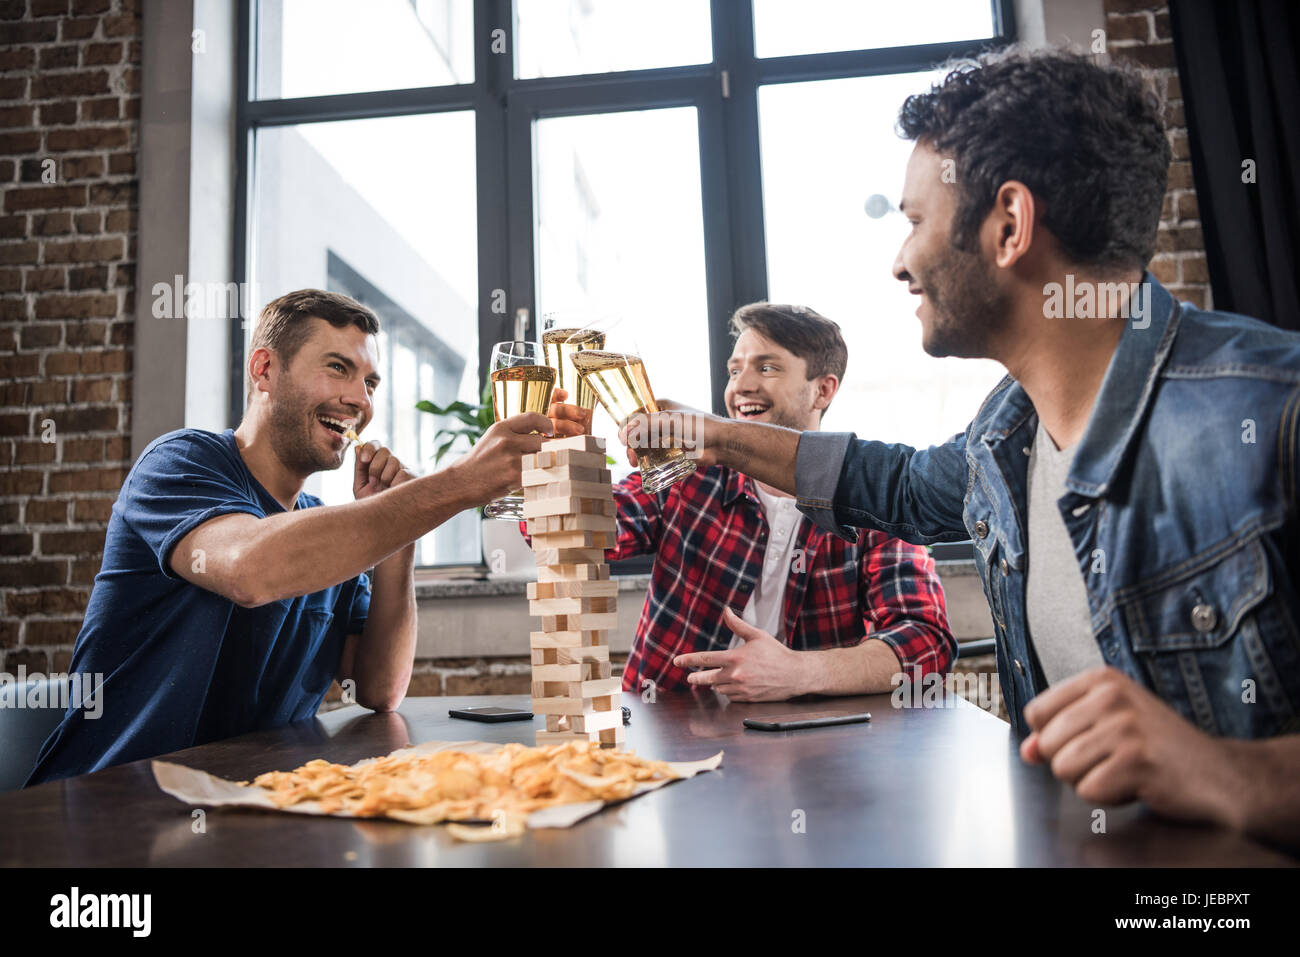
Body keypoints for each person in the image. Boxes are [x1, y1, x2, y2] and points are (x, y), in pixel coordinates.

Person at [619, 48, 1300, 844]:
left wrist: (1224, 771)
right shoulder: (1000, 439)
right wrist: (706, 436)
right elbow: (892, 485)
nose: (900, 261)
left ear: (1008, 225)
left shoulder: (1273, 413)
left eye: (914, 220)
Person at [26, 290, 551, 784]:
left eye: (370, 383)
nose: (357, 399)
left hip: (246, 810)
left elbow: (379, 688)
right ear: (265, 369)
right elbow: (251, 572)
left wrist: (398, 542)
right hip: (114, 808)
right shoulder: (180, 462)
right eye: (338, 368)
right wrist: (461, 483)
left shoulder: (324, 528)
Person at [545, 303, 954, 701]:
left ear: (823, 390)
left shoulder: (869, 497)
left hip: (810, 746)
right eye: (735, 370)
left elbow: (925, 644)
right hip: (669, 736)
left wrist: (798, 673)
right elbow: (574, 538)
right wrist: (567, 454)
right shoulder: (688, 473)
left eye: (767, 367)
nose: (741, 386)